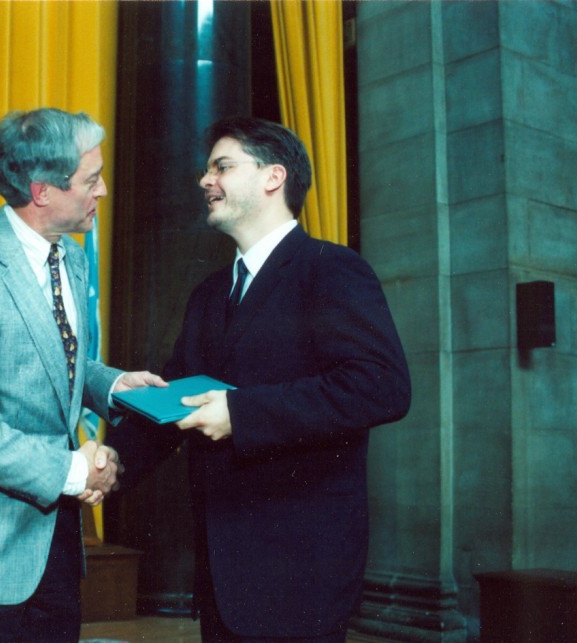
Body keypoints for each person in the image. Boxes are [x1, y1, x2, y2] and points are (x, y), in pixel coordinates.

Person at [109, 117, 412, 642]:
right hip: (224, 576)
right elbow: (179, 401)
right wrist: (113, 463)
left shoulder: (331, 269)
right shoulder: (208, 294)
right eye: (207, 170)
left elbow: (382, 385)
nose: (206, 181)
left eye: (222, 167)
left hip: (301, 574)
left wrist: (241, 413)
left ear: (274, 177)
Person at [0, 107, 165, 642]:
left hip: (53, 553)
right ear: (42, 190)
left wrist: (112, 385)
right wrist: (74, 473)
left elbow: (56, 358)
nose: (103, 191)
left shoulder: (70, 259)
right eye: (91, 180)